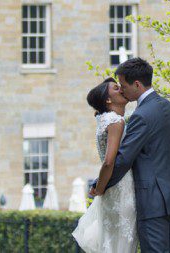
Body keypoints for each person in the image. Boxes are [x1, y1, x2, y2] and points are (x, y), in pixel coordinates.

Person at [98, 58, 170, 253]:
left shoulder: (142, 115)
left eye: (123, 85)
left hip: (152, 201)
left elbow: (122, 160)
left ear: (137, 84)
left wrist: (100, 186)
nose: (121, 90)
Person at [72, 78, 137, 253]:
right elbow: (109, 162)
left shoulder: (105, 119)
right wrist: (100, 188)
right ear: (108, 100)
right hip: (121, 189)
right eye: (117, 88)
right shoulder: (115, 121)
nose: (122, 89)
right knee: (122, 245)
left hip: (113, 188)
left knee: (111, 242)